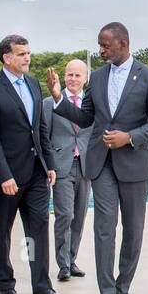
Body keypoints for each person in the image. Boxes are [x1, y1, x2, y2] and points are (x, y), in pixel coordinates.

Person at [48, 22, 148, 294]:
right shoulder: (98, 78)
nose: (100, 50)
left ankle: (123, 287)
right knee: (104, 228)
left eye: (105, 45)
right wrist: (58, 99)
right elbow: (86, 117)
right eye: (99, 45)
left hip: (134, 163)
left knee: (133, 229)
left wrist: (130, 137)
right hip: (101, 164)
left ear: (123, 44)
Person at [0, 35, 64, 294]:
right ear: (6, 57)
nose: (27, 58)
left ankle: (42, 286)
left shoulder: (32, 83)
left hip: (36, 172)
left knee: (38, 229)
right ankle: (4, 283)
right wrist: (3, 174)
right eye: (21, 54)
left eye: (28, 53)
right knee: (1, 231)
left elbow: (39, 128)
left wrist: (49, 163)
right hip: (6, 176)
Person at [45, 59, 92, 281]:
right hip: (61, 165)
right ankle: (62, 264)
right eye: (69, 75)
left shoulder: (91, 104)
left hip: (84, 165)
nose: (73, 79)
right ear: (64, 77)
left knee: (79, 216)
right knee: (65, 214)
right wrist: (48, 165)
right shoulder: (50, 103)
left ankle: (72, 260)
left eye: (78, 75)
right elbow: (44, 136)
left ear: (86, 79)